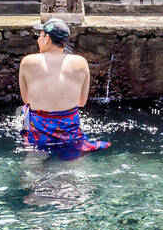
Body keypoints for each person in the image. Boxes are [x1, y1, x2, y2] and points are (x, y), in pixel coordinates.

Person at [18, 18, 109, 159]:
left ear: (47, 38)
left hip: (39, 133)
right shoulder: (81, 62)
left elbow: (26, 99)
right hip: (69, 132)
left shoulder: (28, 62)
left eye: (40, 36)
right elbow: (82, 102)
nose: (38, 40)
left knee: (33, 172)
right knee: (71, 176)